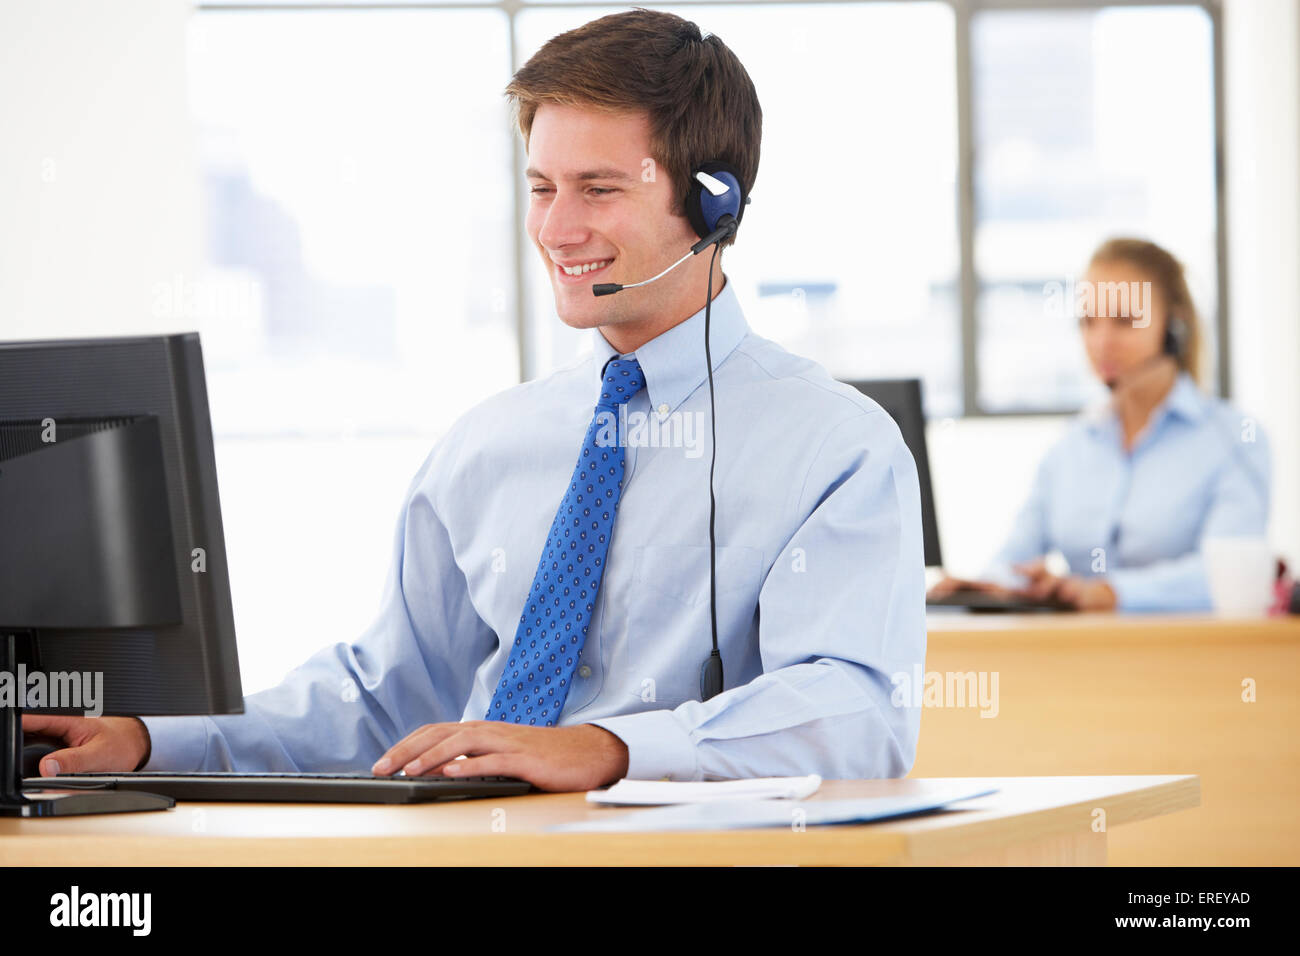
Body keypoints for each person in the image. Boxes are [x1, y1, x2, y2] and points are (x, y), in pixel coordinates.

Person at [24, 9, 926, 789]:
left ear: (712, 204)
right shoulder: (488, 445)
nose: (557, 229)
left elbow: (856, 711)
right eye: (542, 189)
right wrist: (155, 739)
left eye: (598, 189)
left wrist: (608, 748)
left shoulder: (835, 446)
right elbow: (382, 698)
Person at [930, 237, 1270, 611]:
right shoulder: (1072, 445)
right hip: (1080, 647)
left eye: (1124, 320)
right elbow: (1015, 556)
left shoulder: (1234, 440)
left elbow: (1229, 576)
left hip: (1185, 647)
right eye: (1088, 322)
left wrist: (1110, 592)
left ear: (1174, 327)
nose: (1101, 341)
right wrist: (988, 585)